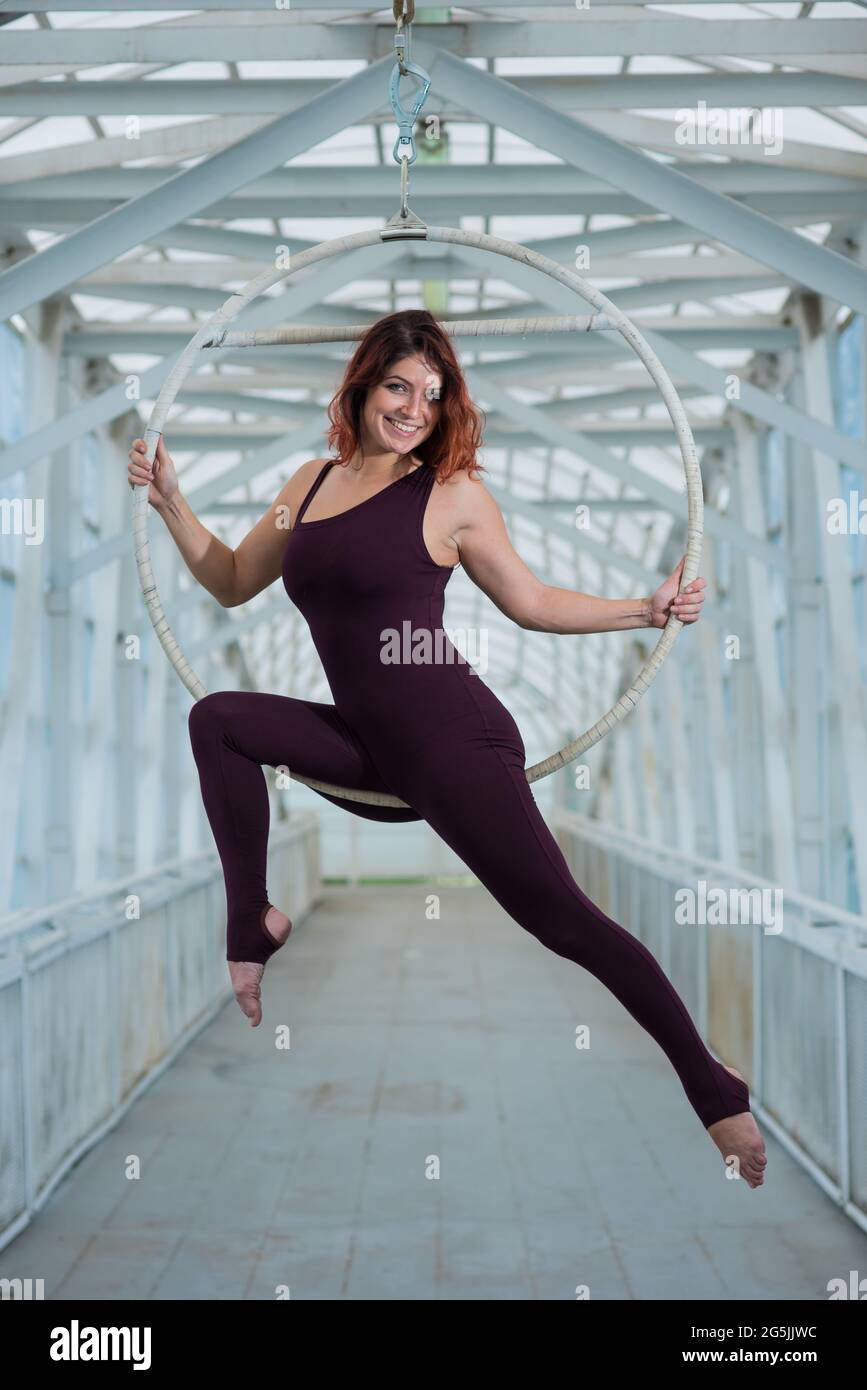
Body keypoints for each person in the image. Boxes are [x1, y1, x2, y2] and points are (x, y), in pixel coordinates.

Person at [128, 309, 767, 1188]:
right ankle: (251, 922)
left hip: (450, 740)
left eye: (431, 395)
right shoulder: (308, 483)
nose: (413, 408)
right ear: (361, 385)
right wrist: (169, 500)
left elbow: (532, 602)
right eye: (398, 386)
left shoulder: (452, 495)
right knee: (220, 722)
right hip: (365, 742)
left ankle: (712, 1089)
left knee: (563, 922)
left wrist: (643, 609)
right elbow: (235, 580)